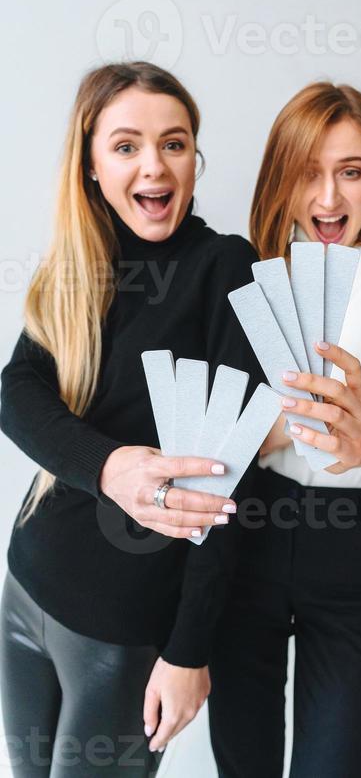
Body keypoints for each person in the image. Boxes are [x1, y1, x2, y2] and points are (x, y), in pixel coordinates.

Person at [0, 61, 269, 777]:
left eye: (174, 143)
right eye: (126, 146)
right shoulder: (83, 260)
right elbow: (16, 390)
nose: (155, 165)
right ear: (90, 164)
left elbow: (229, 484)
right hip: (24, 590)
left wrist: (189, 651)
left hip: (119, 633)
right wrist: (109, 467)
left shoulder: (226, 270)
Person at [208, 82, 361, 778]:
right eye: (309, 171)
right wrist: (342, 417)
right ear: (281, 173)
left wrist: (349, 428)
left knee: (336, 764)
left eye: (352, 171)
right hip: (246, 531)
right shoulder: (245, 265)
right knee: (240, 761)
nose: (330, 199)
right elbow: (211, 431)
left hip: (357, 537)